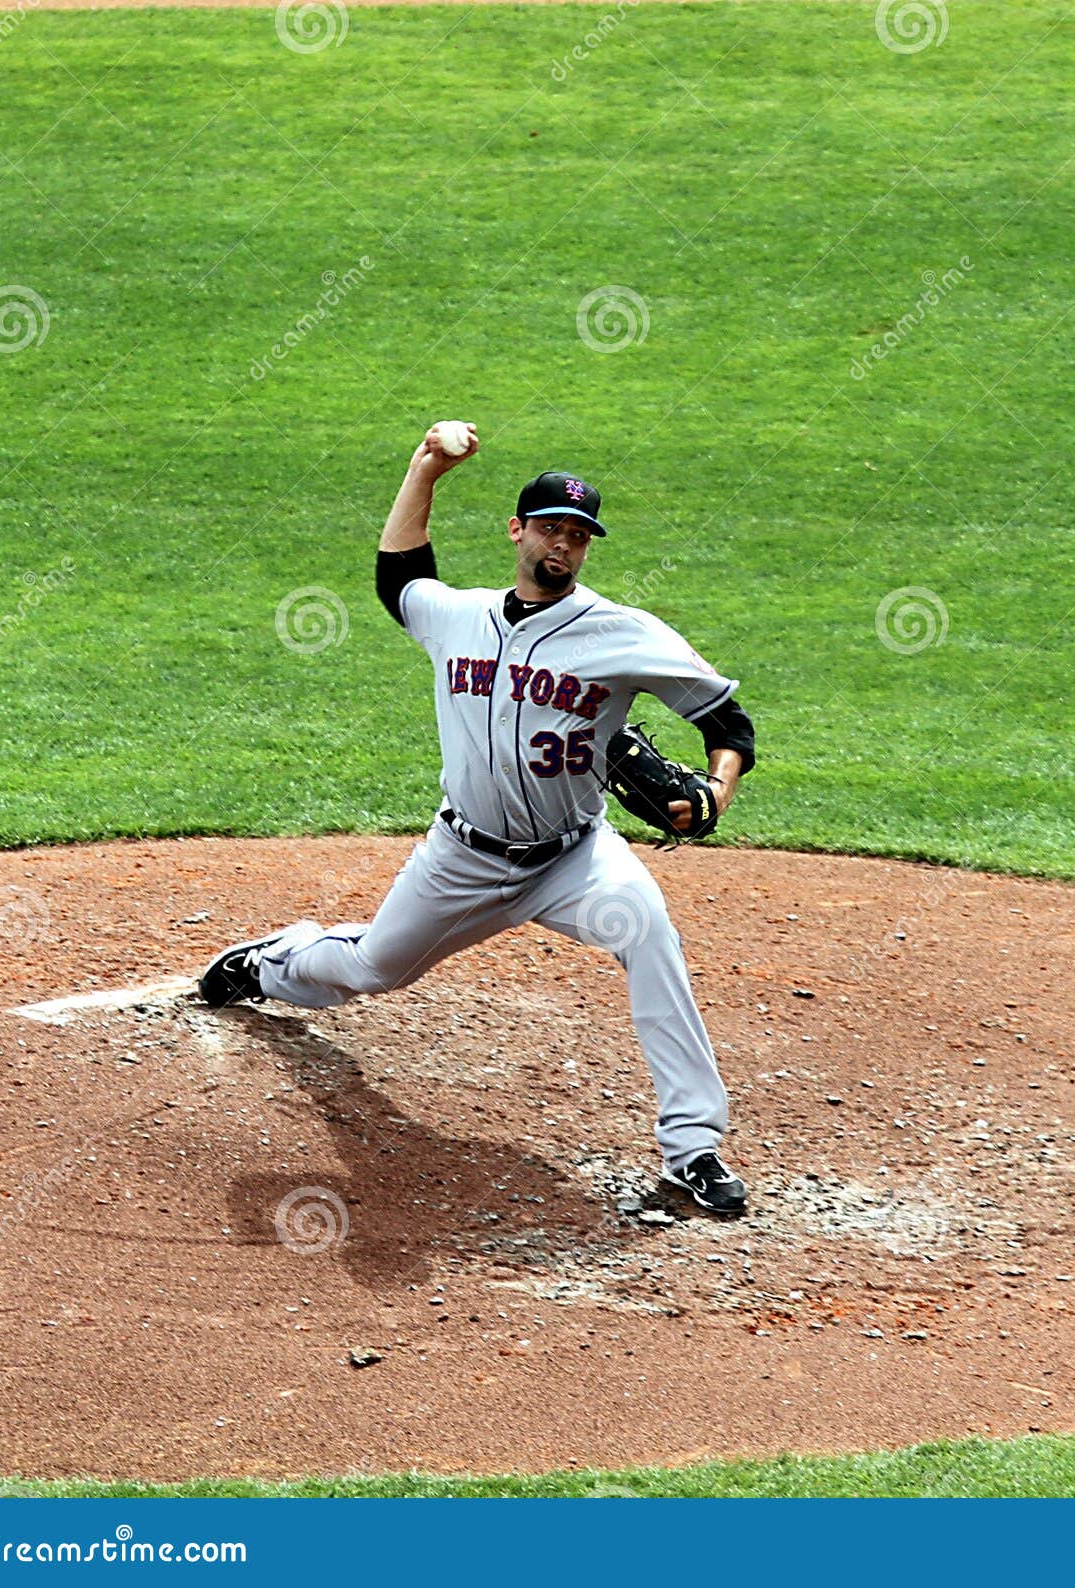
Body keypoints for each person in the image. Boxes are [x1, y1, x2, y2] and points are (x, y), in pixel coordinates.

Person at [198, 422, 756, 1214]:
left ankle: (692, 1150)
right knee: (371, 969)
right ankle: (274, 963)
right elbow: (399, 577)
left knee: (650, 935)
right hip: (462, 856)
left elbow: (728, 723)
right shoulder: (457, 616)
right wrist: (426, 467)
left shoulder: (624, 633)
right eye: (551, 528)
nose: (563, 544)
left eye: (578, 535)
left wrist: (716, 790)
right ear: (517, 531)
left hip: (574, 860)